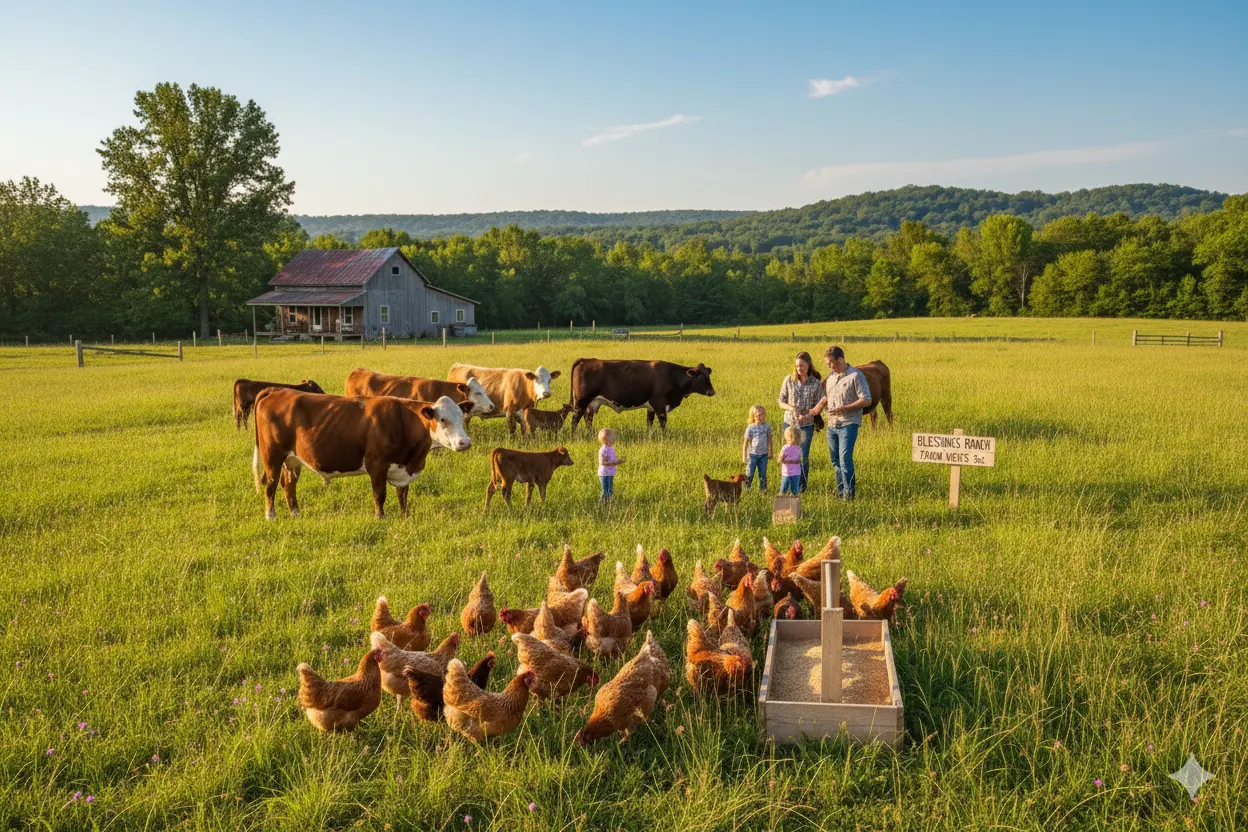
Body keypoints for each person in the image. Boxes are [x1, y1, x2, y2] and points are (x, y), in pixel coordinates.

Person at [810, 345, 872, 500]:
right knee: (835, 460)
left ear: (841, 359)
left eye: (831, 363)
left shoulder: (856, 376)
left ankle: (849, 495)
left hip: (848, 423)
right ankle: (840, 492)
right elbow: (827, 397)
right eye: (827, 364)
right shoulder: (831, 378)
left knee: (845, 459)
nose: (830, 366)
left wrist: (845, 408)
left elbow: (866, 399)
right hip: (832, 425)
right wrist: (818, 407)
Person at [776, 350, 823, 492]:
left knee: (803, 455)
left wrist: (808, 415)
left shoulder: (815, 383)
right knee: (789, 453)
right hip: (789, 424)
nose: (799, 368)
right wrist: (792, 408)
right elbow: (780, 401)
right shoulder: (788, 380)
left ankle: (801, 486)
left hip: (806, 425)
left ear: (808, 365)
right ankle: (787, 483)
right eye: (797, 366)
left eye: (802, 365)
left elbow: (819, 405)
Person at [741, 404, 773, 492]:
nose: (759, 417)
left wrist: (770, 452)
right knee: (749, 474)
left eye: (761, 414)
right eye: (757, 415)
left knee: (762, 474)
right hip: (752, 455)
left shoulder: (767, 426)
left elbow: (770, 440)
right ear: (753, 417)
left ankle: (763, 491)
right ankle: (746, 490)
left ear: (764, 415)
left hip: (764, 455)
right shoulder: (750, 427)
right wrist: (744, 457)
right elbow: (745, 443)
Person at [597, 427, 624, 503]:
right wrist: (616, 463)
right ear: (606, 440)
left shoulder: (611, 448)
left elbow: (612, 458)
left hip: (610, 472)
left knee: (610, 489)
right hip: (604, 473)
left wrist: (617, 460)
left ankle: (609, 503)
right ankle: (601, 504)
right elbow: (603, 463)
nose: (614, 439)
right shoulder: (603, 450)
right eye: (612, 438)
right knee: (605, 490)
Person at [778, 427, 803, 496]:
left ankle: (793, 500)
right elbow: (780, 460)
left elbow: (800, 459)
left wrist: (797, 461)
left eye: (794, 437)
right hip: (787, 472)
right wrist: (786, 460)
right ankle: (781, 498)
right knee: (784, 488)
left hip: (796, 472)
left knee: (795, 489)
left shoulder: (798, 448)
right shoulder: (785, 448)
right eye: (790, 437)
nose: (792, 439)